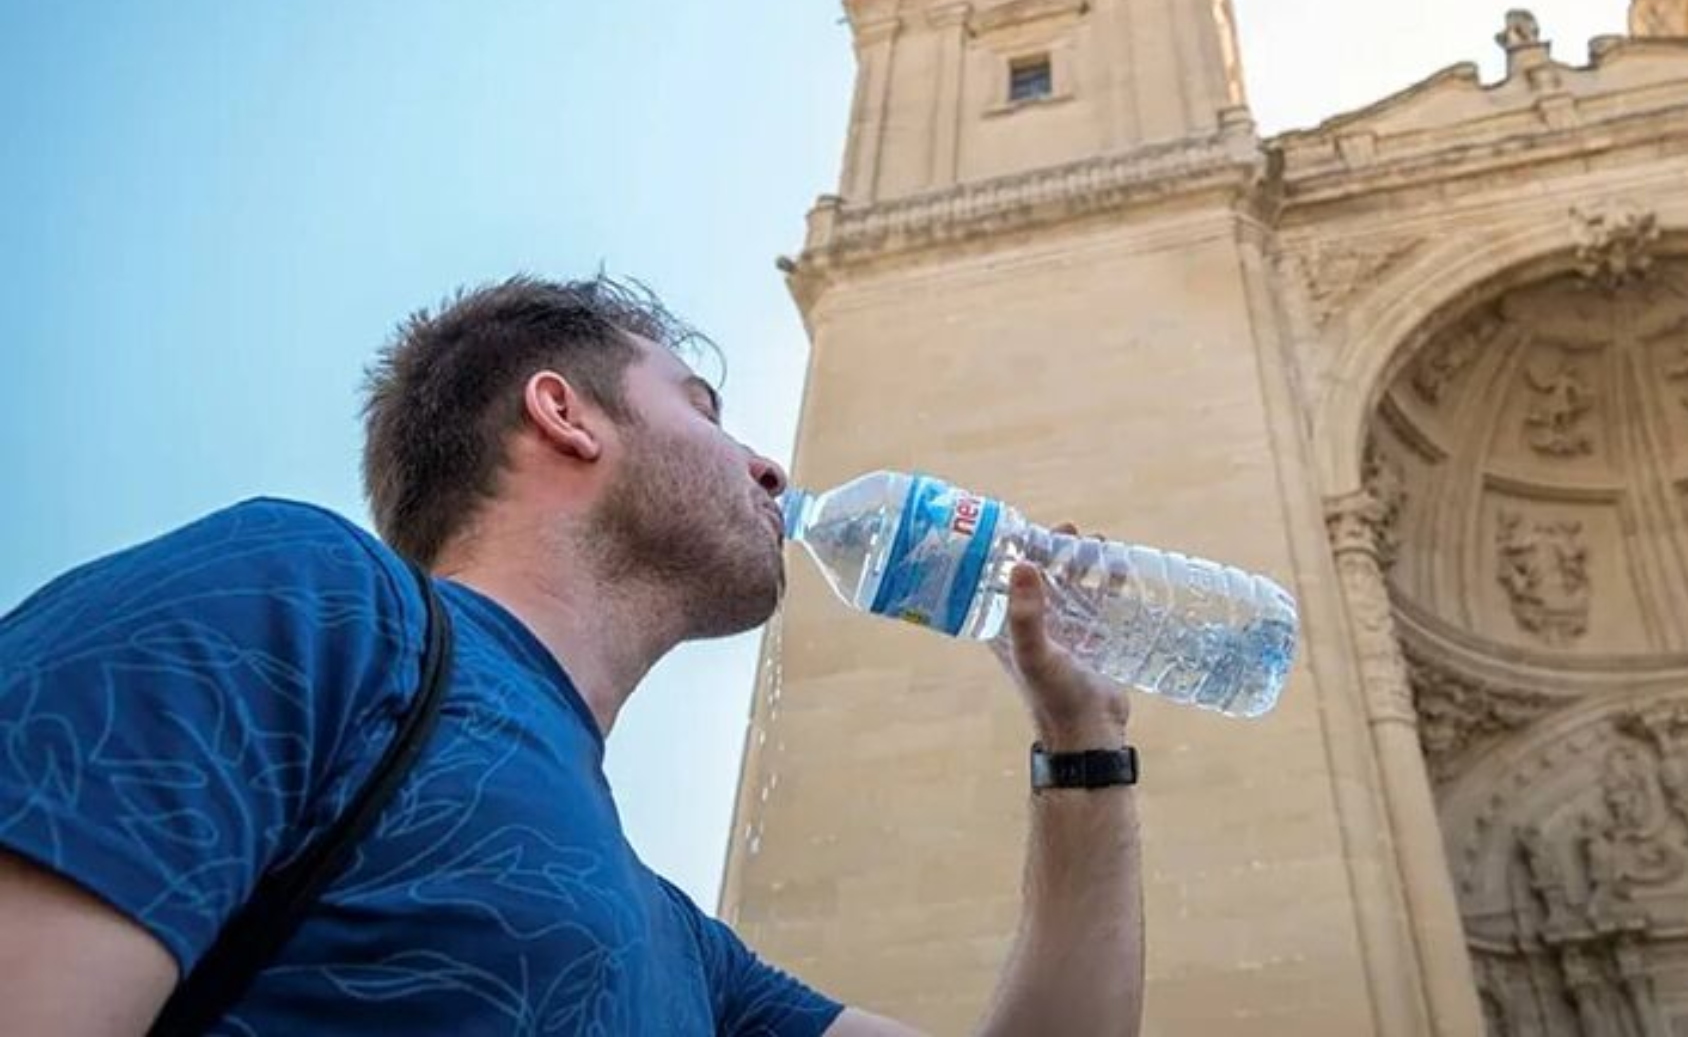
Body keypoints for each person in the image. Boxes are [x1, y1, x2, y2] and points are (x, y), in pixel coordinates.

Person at [0, 275, 1143, 1036]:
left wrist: (1083, 750)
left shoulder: (686, 950)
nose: (771, 471)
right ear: (565, 413)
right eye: (707, 411)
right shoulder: (301, 600)